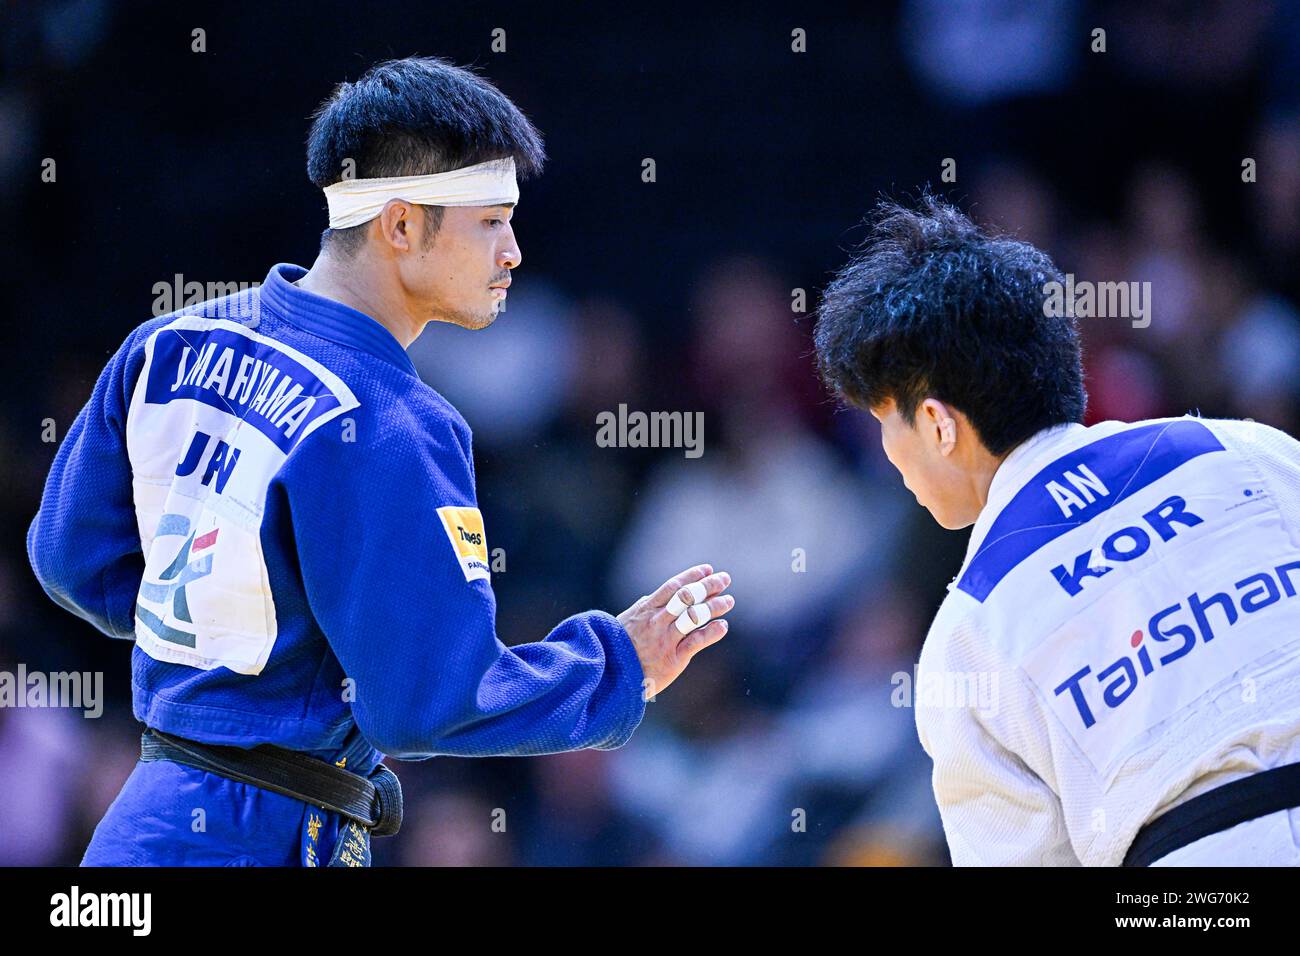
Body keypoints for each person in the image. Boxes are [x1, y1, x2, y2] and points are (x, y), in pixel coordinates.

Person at [26, 56, 733, 867]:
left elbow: (68, 561)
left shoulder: (164, 346)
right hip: (262, 835)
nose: (514, 252)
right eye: (491, 221)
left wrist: (221, 655)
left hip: (147, 818)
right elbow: (427, 706)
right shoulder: (389, 422)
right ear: (400, 226)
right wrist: (621, 666)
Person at [814, 194, 1300, 866]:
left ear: (936, 424)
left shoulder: (971, 632)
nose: (889, 458)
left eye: (883, 423)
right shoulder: (1250, 452)